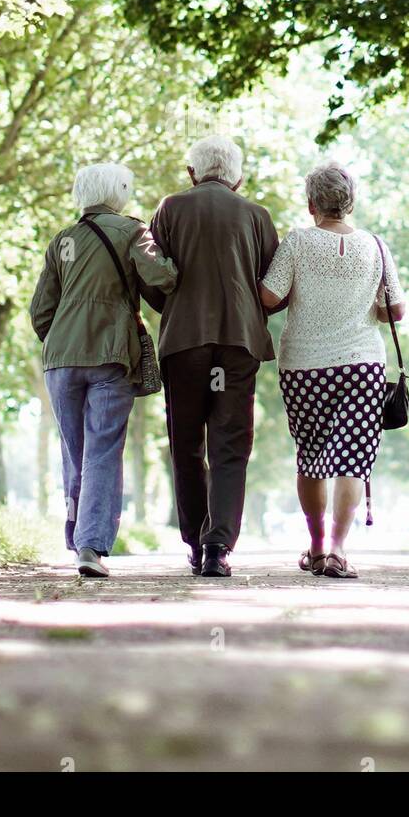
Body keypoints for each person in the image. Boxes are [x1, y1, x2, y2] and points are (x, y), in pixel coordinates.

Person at [29, 162, 177, 578]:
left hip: (61, 358)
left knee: (73, 451)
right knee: (103, 450)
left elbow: (40, 310)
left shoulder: (63, 241)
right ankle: (89, 546)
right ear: (121, 192)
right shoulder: (132, 231)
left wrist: (62, 337)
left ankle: (77, 536)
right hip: (111, 355)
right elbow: (159, 278)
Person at [259, 162, 406, 579]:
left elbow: (270, 297)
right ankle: (340, 550)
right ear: (351, 202)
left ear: (311, 205)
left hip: (305, 365)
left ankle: (317, 545)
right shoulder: (375, 246)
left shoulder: (297, 242)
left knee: (311, 457)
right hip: (362, 365)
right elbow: (395, 308)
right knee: (352, 460)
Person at [148, 135, 280, 577]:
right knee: (229, 444)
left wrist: (175, 306)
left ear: (192, 173)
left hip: (185, 344)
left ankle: (193, 540)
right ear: (238, 178)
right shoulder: (257, 216)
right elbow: (271, 286)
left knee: (186, 444)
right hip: (237, 344)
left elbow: (152, 278)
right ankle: (217, 546)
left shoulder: (169, 209)